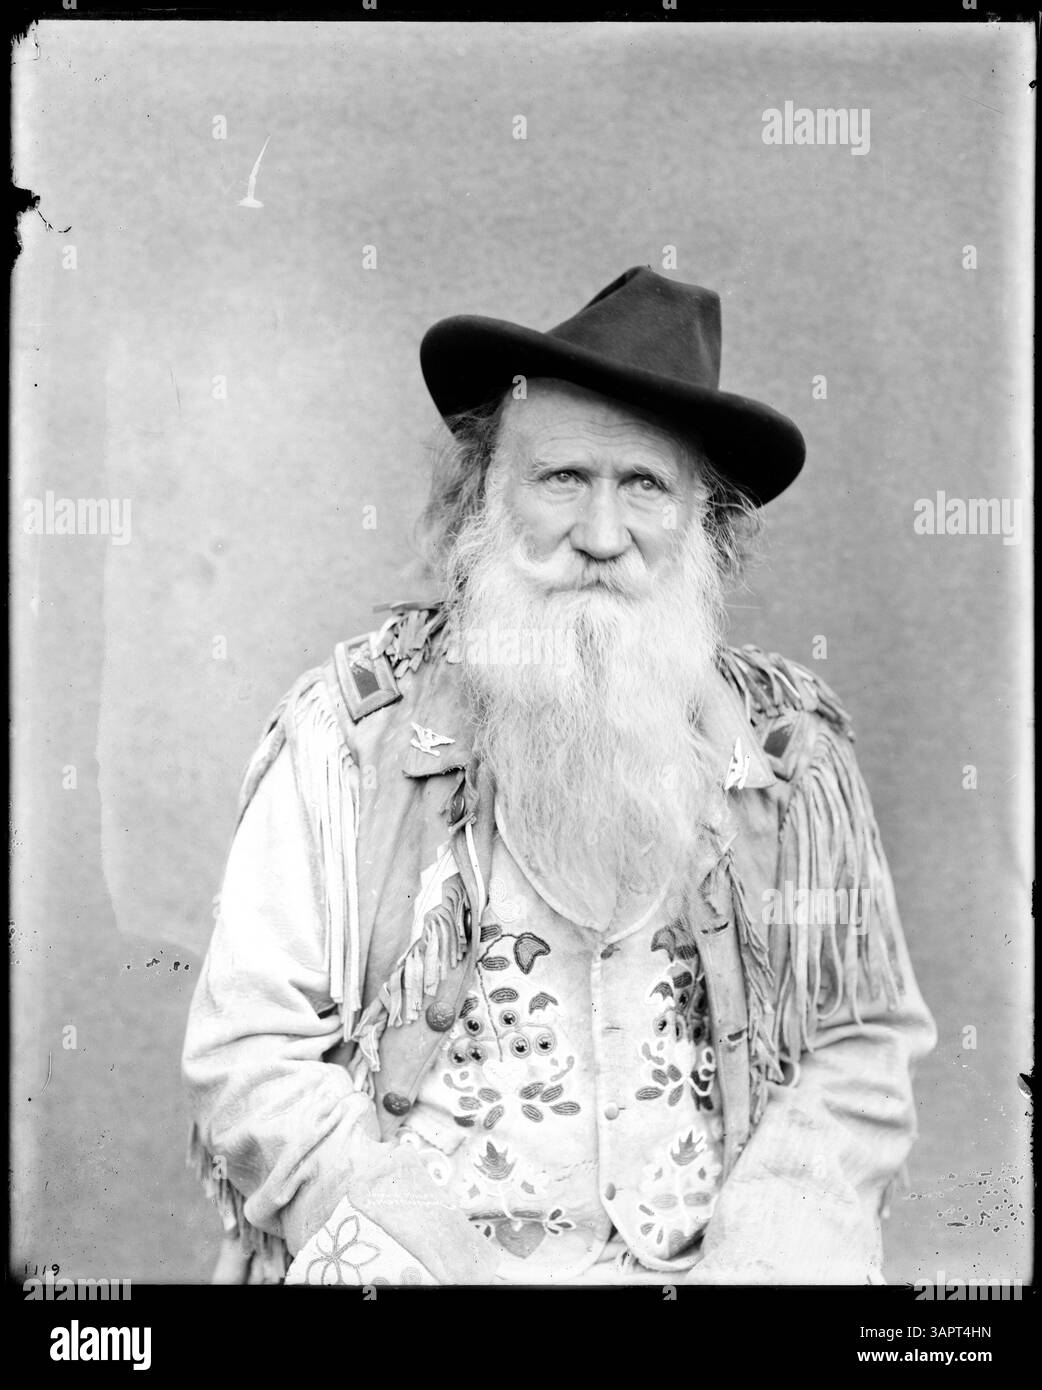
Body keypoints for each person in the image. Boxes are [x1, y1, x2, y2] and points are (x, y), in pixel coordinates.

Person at [182, 266, 936, 1285]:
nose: (601, 535)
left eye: (645, 486)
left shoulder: (791, 758)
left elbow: (859, 1046)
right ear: (481, 499)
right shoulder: (347, 741)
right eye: (562, 478)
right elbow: (251, 1058)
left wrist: (761, 1269)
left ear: (704, 523)